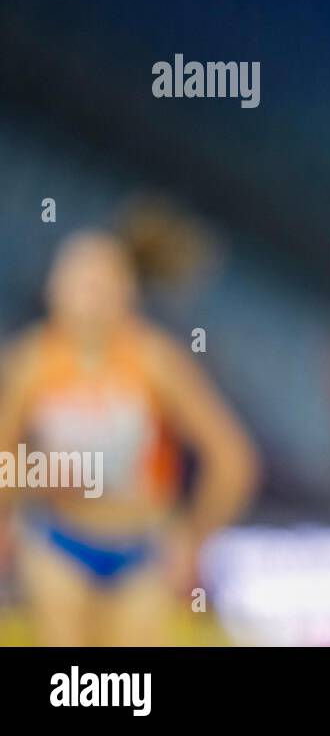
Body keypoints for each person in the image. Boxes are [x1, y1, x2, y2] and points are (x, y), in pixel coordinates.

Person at [0, 230, 259, 645]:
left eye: (103, 282)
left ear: (128, 291)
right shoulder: (31, 363)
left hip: (143, 550)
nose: (91, 296)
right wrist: (42, 479)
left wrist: (195, 537)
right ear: (54, 288)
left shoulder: (155, 360)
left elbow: (231, 456)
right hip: (59, 543)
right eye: (80, 282)